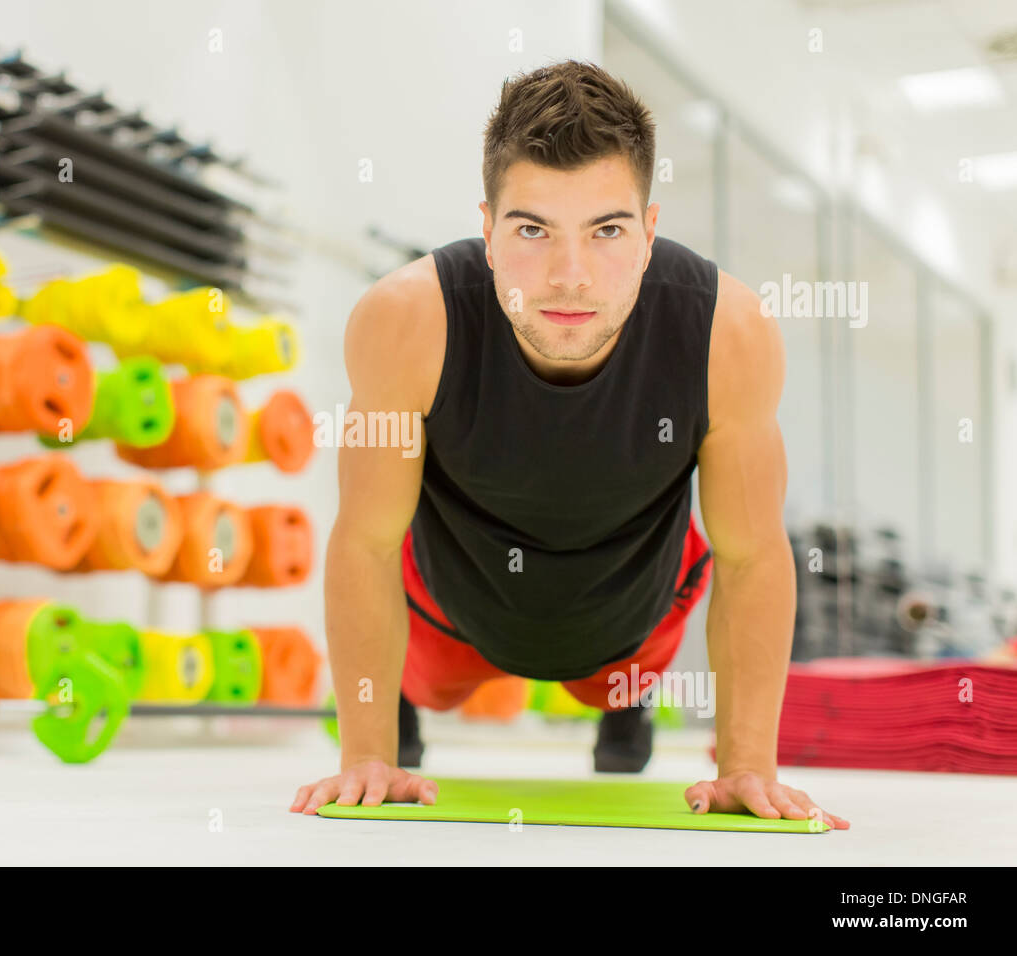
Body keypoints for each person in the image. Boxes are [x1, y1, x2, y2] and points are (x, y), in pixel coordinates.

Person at [291, 60, 849, 830]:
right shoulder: (405, 320)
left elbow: (753, 555)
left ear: (649, 235)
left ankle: (628, 708)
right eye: (532, 230)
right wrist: (366, 752)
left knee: (615, 676)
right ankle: (405, 709)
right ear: (487, 232)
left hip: (631, 612)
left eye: (608, 230)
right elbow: (366, 541)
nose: (570, 276)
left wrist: (747, 765)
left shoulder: (730, 332)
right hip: (453, 601)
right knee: (436, 683)